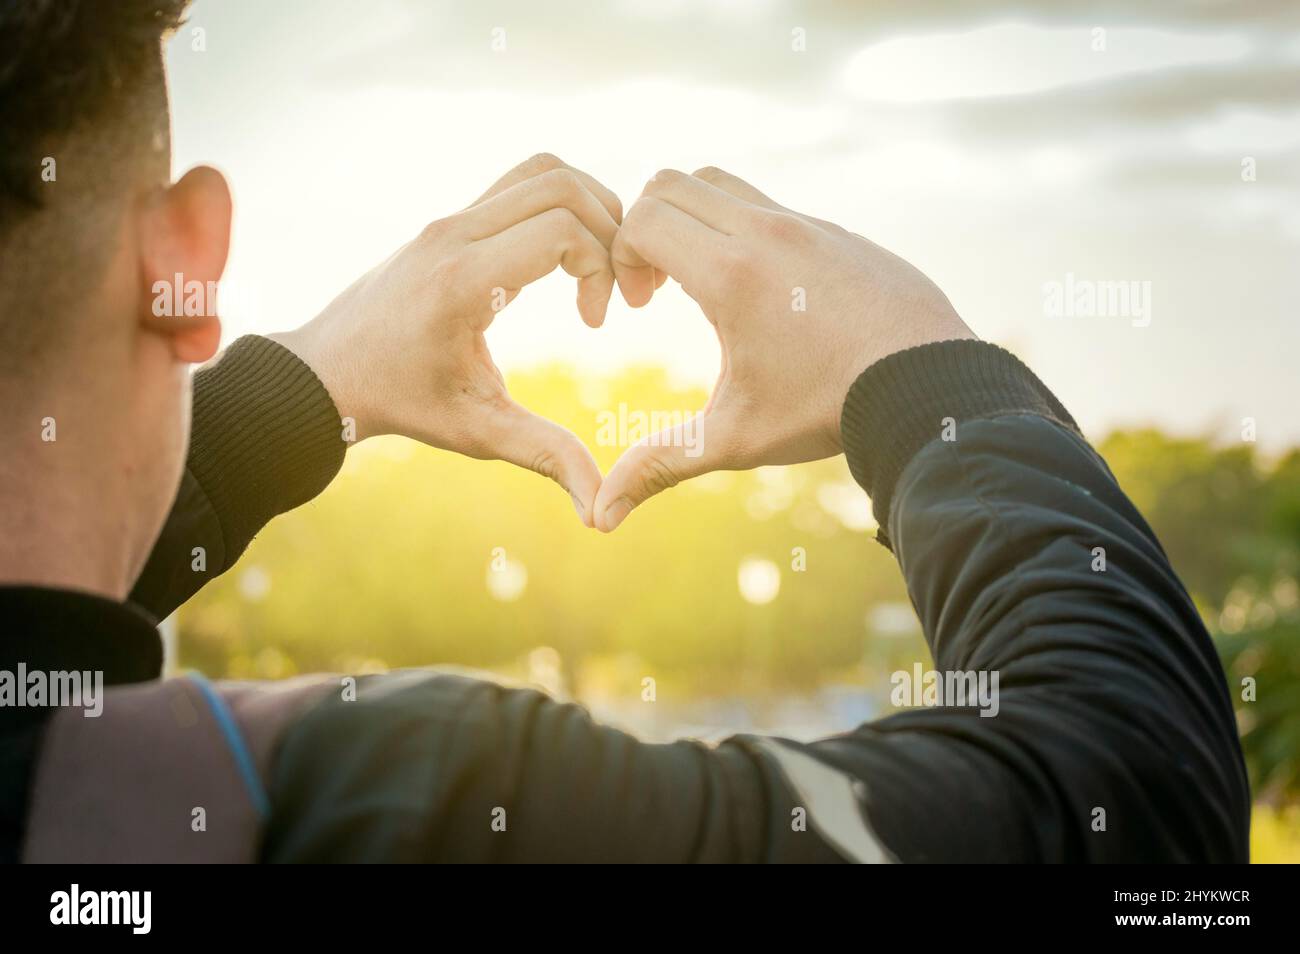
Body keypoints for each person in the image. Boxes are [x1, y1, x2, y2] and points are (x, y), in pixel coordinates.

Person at [0, 1, 1249, 863]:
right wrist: (924, 375)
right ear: (188, 259)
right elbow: (1130, 811)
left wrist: (295, 398)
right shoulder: (355, 811)